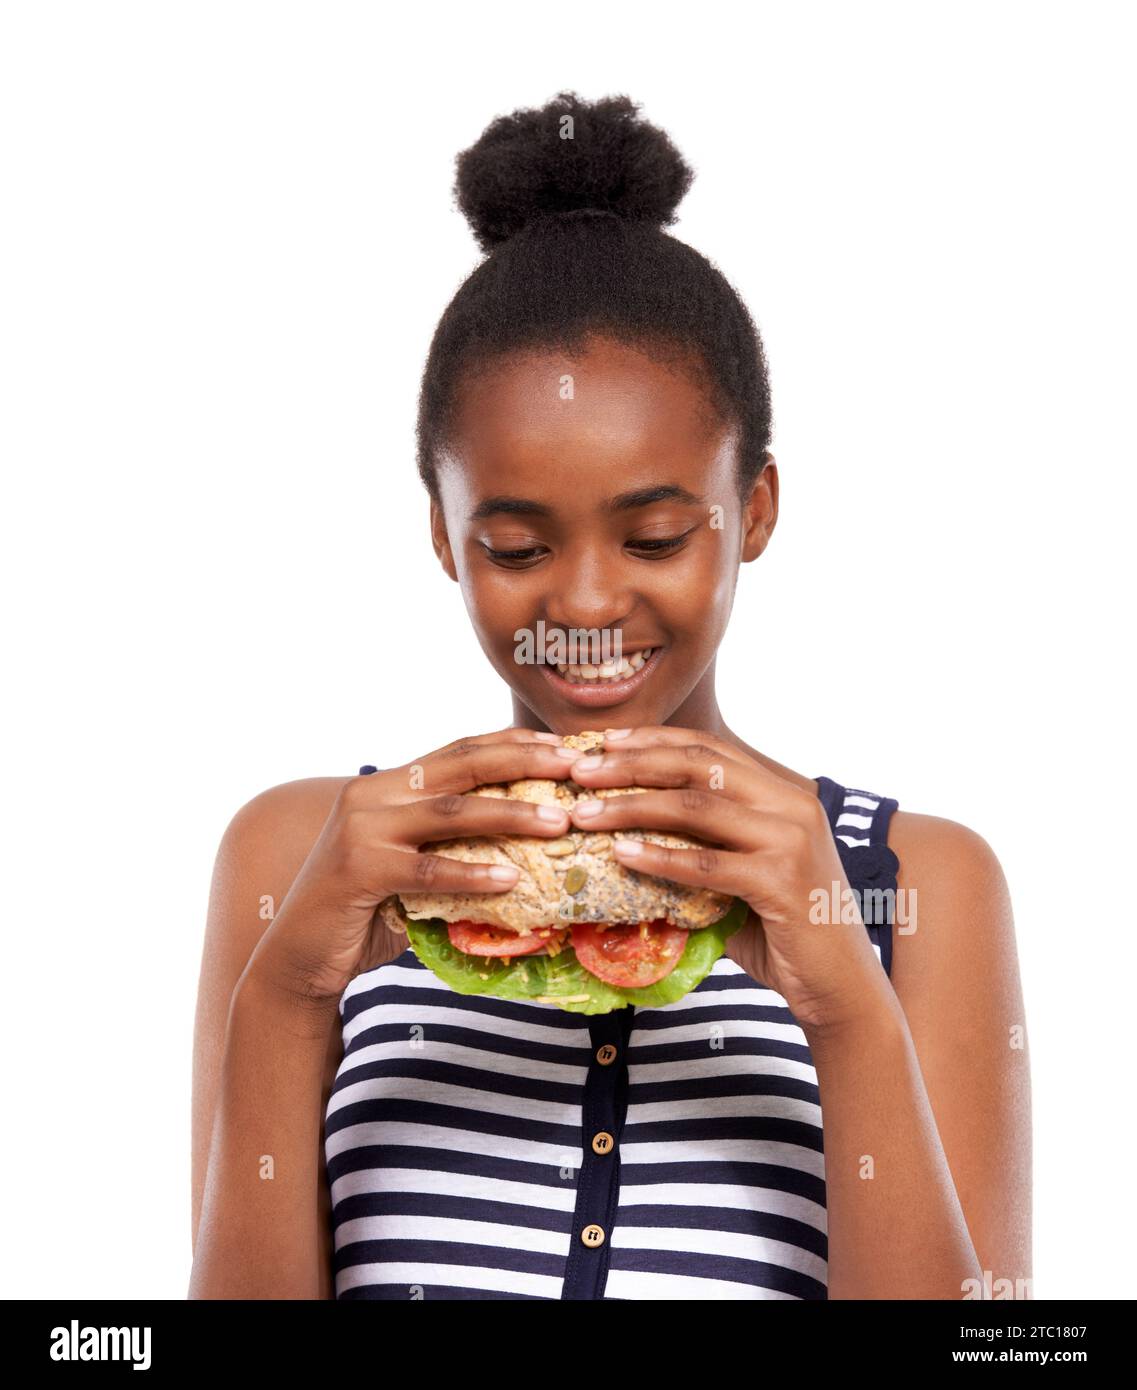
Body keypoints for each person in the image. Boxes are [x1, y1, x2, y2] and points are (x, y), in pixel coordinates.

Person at [189, 92, 1031, 1300]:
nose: (585, 607)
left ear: (753, 509)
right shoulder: (302, 850)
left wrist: (844, 998)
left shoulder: (920, 882)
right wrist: (288, 986)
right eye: (519, 547)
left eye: (651, 536)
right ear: (444, 534)